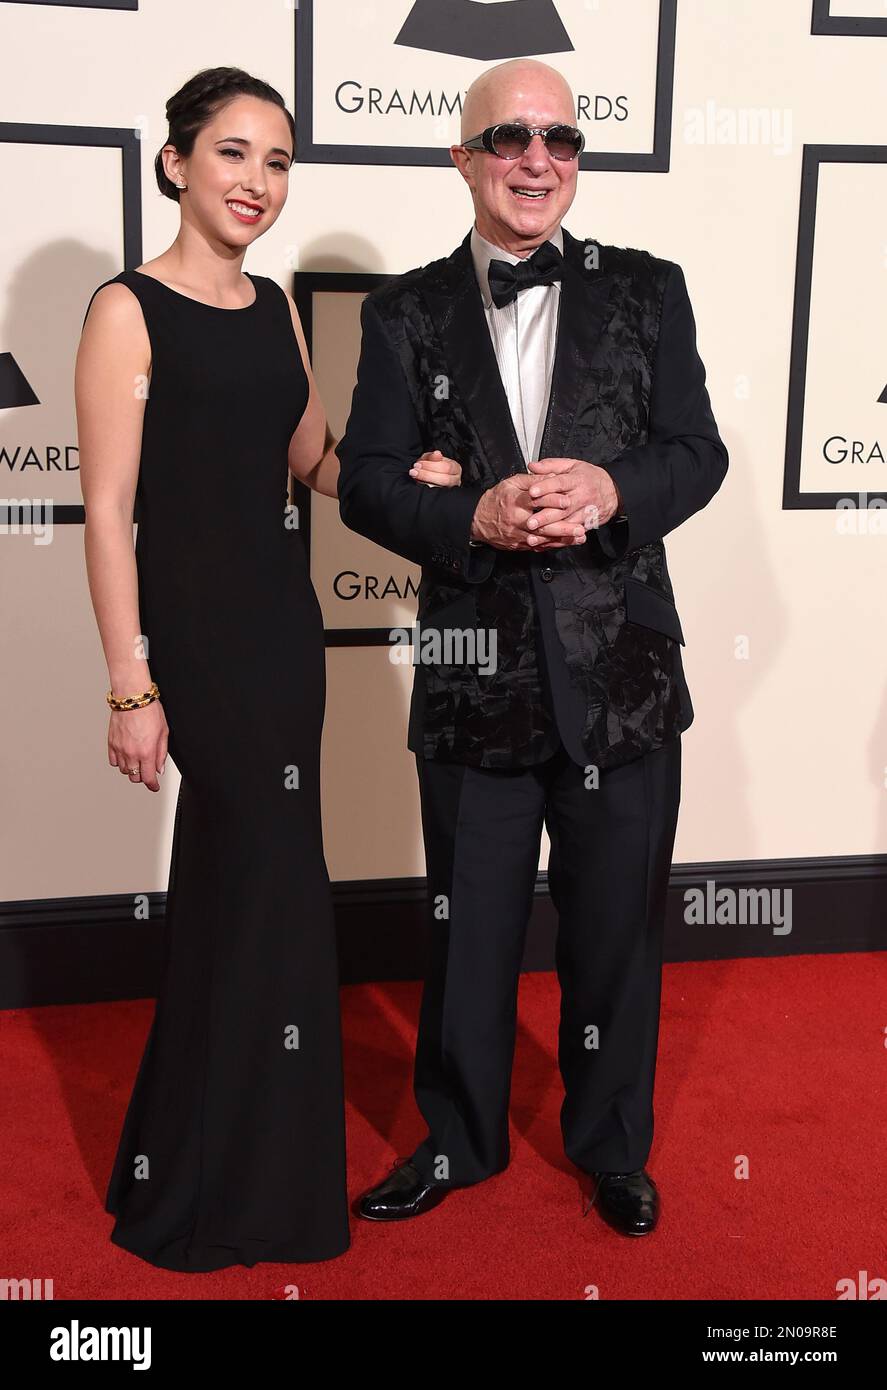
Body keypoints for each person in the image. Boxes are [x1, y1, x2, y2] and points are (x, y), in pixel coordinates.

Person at [75, 65, 460, 1271]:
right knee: (266, 900)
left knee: (252, 901)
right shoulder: (126, 310)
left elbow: (313, 460)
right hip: (197, 644)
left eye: (279, 161)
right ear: (177, 162)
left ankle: (208, 1165)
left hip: (285, 639)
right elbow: (107, 511)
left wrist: (405, 481)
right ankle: (219, 1193)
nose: (257, 181)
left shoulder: (274, 304)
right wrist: (131, 683)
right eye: (233, 153)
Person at [337, 58, 729, 1236]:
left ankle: (609, 1146)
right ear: (461, 158)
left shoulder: (646, 290)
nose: (536, 159)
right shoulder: (402, 313)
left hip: (623, 677)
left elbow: (695, 453)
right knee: (466, 931)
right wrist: (470, 513)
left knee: (616, 936)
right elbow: (365, 482)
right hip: (475, 678)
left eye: (559, 139)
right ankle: (457, 1140)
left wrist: (612, 489)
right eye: (508, 138)